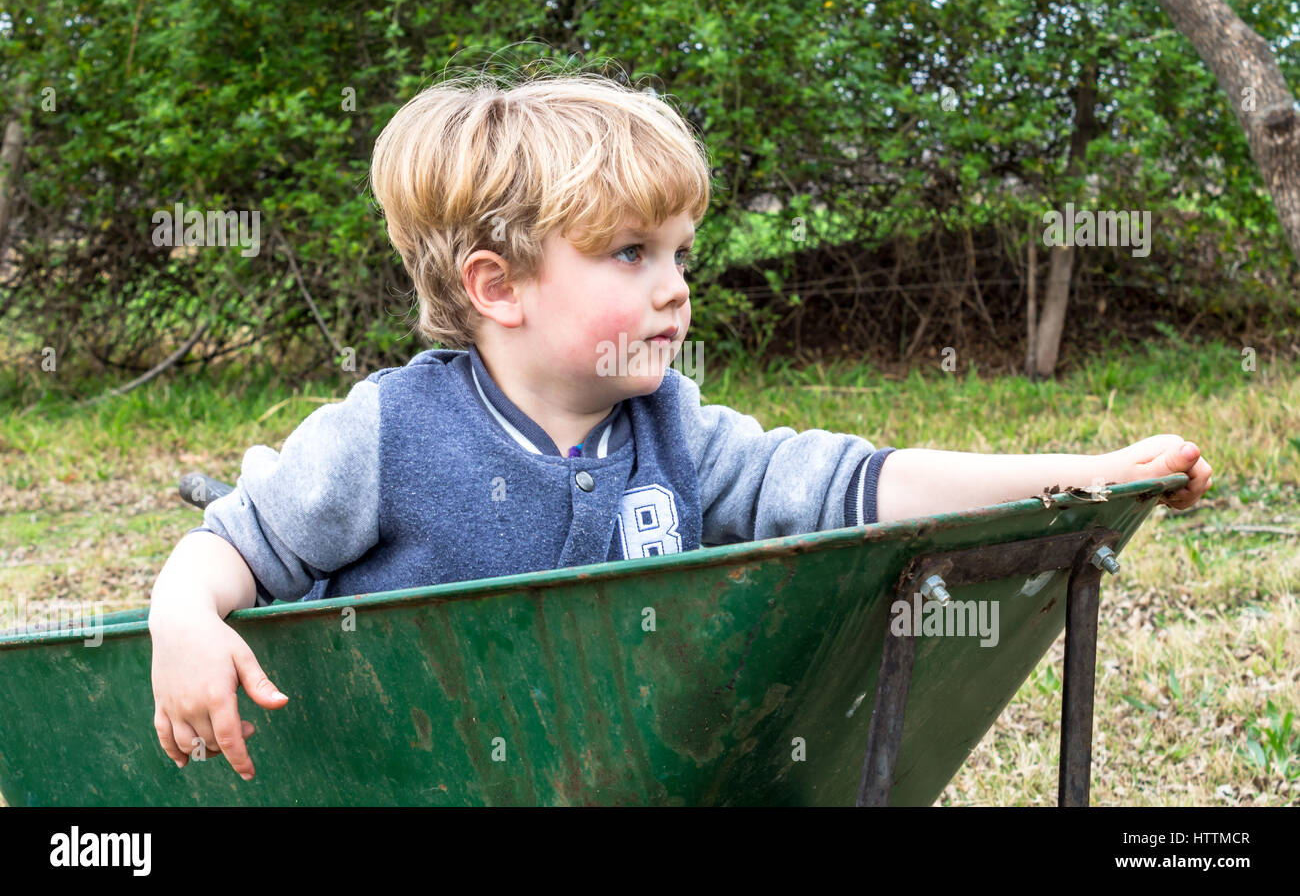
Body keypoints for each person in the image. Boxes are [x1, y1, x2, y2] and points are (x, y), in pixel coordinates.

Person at [149, 70, 1212, 782]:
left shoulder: (674, 432)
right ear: (498, 284)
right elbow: (229, 553)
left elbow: (856, 481)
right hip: (412, 769)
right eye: (630, 254)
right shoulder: (384, 433)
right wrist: (186, 620)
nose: (674, 290)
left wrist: (1080, 475)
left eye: (680, 254)